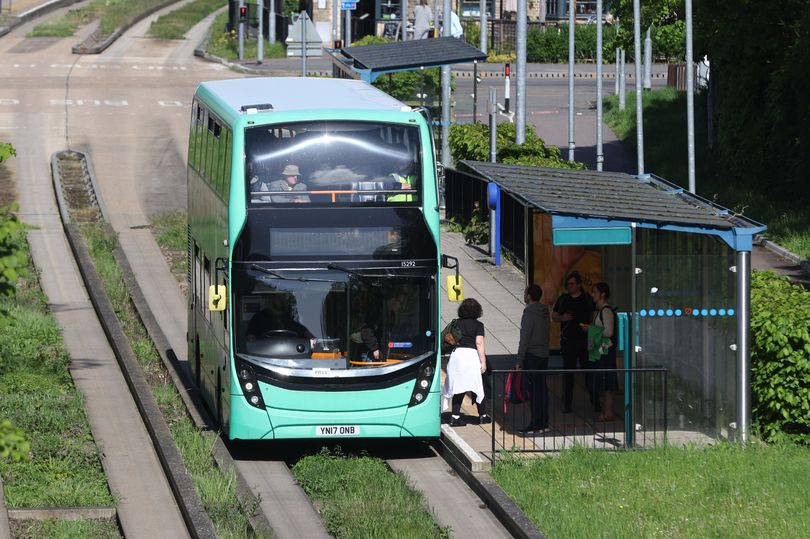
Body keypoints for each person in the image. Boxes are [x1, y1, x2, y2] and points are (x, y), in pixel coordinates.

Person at [442, 298, 490, 426]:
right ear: (477, 311)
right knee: (478, 386)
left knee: (458, 387)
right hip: (471, 356)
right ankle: (483, 416)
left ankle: (455, 416)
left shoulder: (456, 323)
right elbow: (479, 343)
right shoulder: (478, 325)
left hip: (457, 356)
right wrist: (483, 362)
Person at [552, 271, 595, 413]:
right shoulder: (563, 299)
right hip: (568, 341)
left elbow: (594, 315)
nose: (569, 286)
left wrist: (590, 328)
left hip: (584, 340)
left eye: (572, 284)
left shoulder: (587, 299)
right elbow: (554, 315)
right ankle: (567, 404)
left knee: (588, 372)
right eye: (568, 284)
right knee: (568, 373)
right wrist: (563, 318)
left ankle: (595, 401)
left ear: (578, 285)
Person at [515, 284, 551, 436]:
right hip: (544, 354)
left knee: (534, 392)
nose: (524, 295)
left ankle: (536, 424)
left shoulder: (529, 313)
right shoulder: (544, 312)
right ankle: (543, 422)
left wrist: (519, 360)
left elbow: (525, 338)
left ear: (529, 296)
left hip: (532, 355)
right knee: (542, 389)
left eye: (525, 293)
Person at [581, 282, 619, 422]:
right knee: (604, 380)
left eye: (595, 292)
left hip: (606, 350)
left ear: (602, 294)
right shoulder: (599, 311)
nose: (593, 295)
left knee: (607, 381)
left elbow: (608, 331)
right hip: (602, 350)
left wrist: (590, 329)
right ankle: (606, 411)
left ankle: (608, 411)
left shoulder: (606, 311)